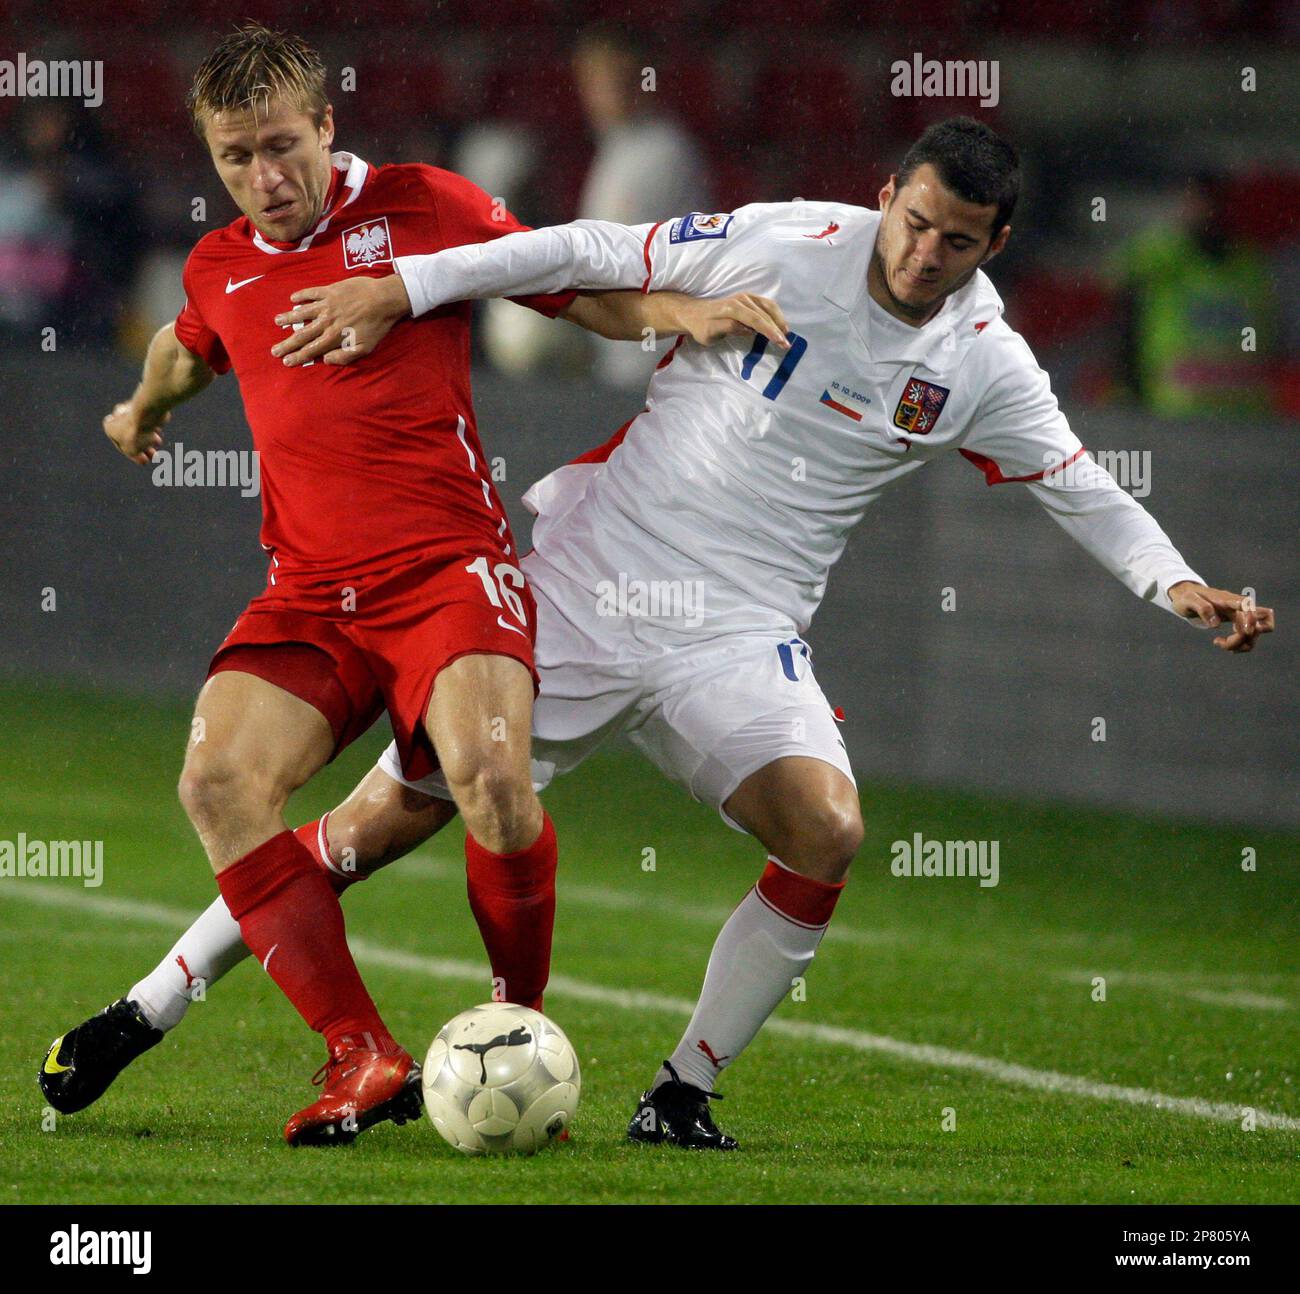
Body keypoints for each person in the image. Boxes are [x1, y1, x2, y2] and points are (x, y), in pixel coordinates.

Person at [44, 117, 1273, 1151]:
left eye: (957, 241)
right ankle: (146, 1006)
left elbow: (1076, 481)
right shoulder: (793, 239)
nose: (923, 252)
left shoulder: (985, 363)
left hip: (742, 633)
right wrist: (405, 287)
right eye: (913, 220)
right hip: (596, 582)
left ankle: (679, 1093)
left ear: (994, 245)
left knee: (826, 828)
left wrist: (1177, 585)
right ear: (886, 194)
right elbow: (585, 247)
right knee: (377, 826)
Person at [61, 21, 776, 1149]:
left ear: (327, 125)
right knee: (217, 784)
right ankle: (362, 1055)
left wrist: (672, 312)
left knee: (492, 780)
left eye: (283, 146)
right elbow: (187, 346)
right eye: (236, 157)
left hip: (447, 571)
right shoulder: (221, 262)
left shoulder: (420, 207)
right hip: (309, 593)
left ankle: (518, 1028)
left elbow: (564, 281)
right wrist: (141, 410)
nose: (266, 177)